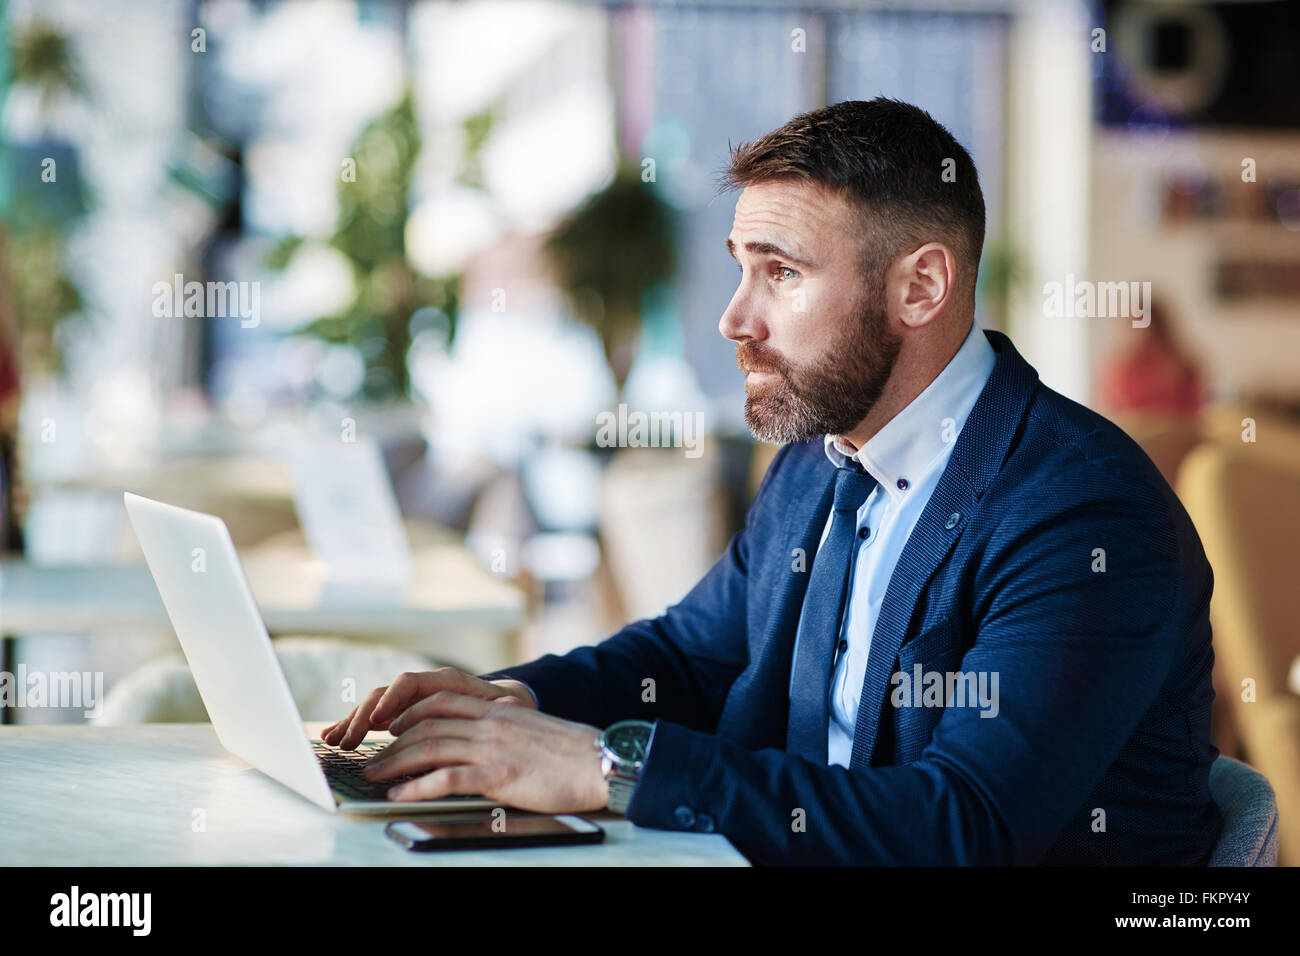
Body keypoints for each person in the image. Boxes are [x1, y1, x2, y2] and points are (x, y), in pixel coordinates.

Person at [322, 98, 1223, 865]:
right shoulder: (817, 458)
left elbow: (965, 828)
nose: (732, 319)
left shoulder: (1081, 513)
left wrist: (613, 769)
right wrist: (508, 705)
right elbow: (688, 658)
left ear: (921, 288)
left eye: (781, 274)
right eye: (740, 268)